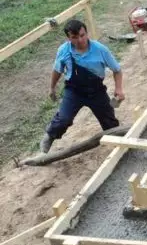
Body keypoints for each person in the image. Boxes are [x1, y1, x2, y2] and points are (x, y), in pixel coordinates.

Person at [39, 19, 125, 153]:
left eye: (82, 35)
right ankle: (50, 136)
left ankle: (119, 142)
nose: (80, 40)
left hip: (96, 91)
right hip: (74, 91)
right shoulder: (64, 50)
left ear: (86, 33)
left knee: (109, 121)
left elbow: (117, 70)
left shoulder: (100, 49)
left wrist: (118, 88)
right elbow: (57, 70)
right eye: (74, 37)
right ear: (68, 38)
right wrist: (52, 88)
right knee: (63, 119)